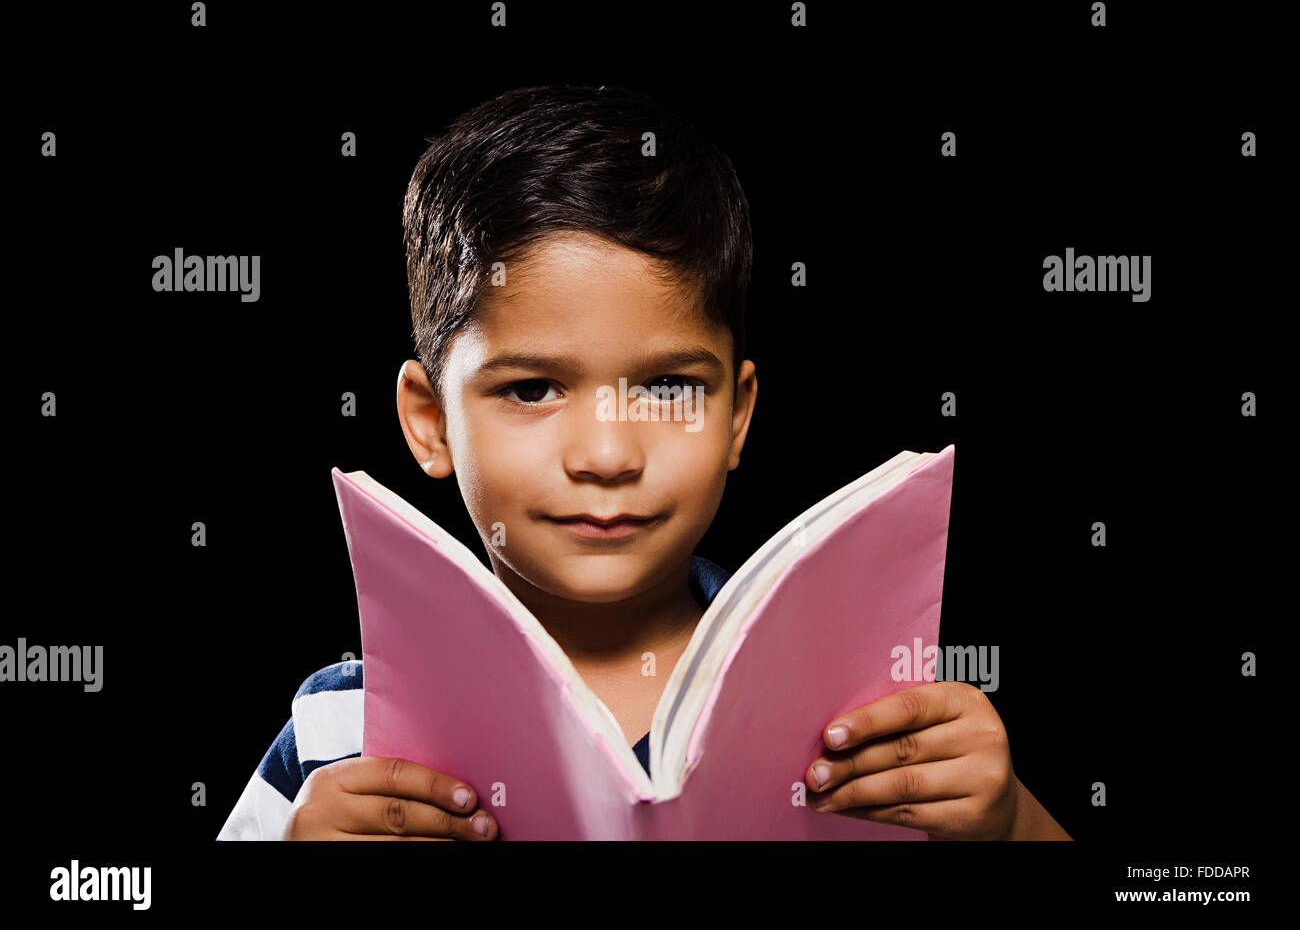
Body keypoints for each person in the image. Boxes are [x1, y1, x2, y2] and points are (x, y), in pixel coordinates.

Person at [218, 84, 1068, 841]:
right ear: (430, 421)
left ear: (738, 416)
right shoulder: (338, 735)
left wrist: (1010, 823)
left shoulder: (859, 711)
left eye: (666, 388)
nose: (607, 454)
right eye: (533, 389)